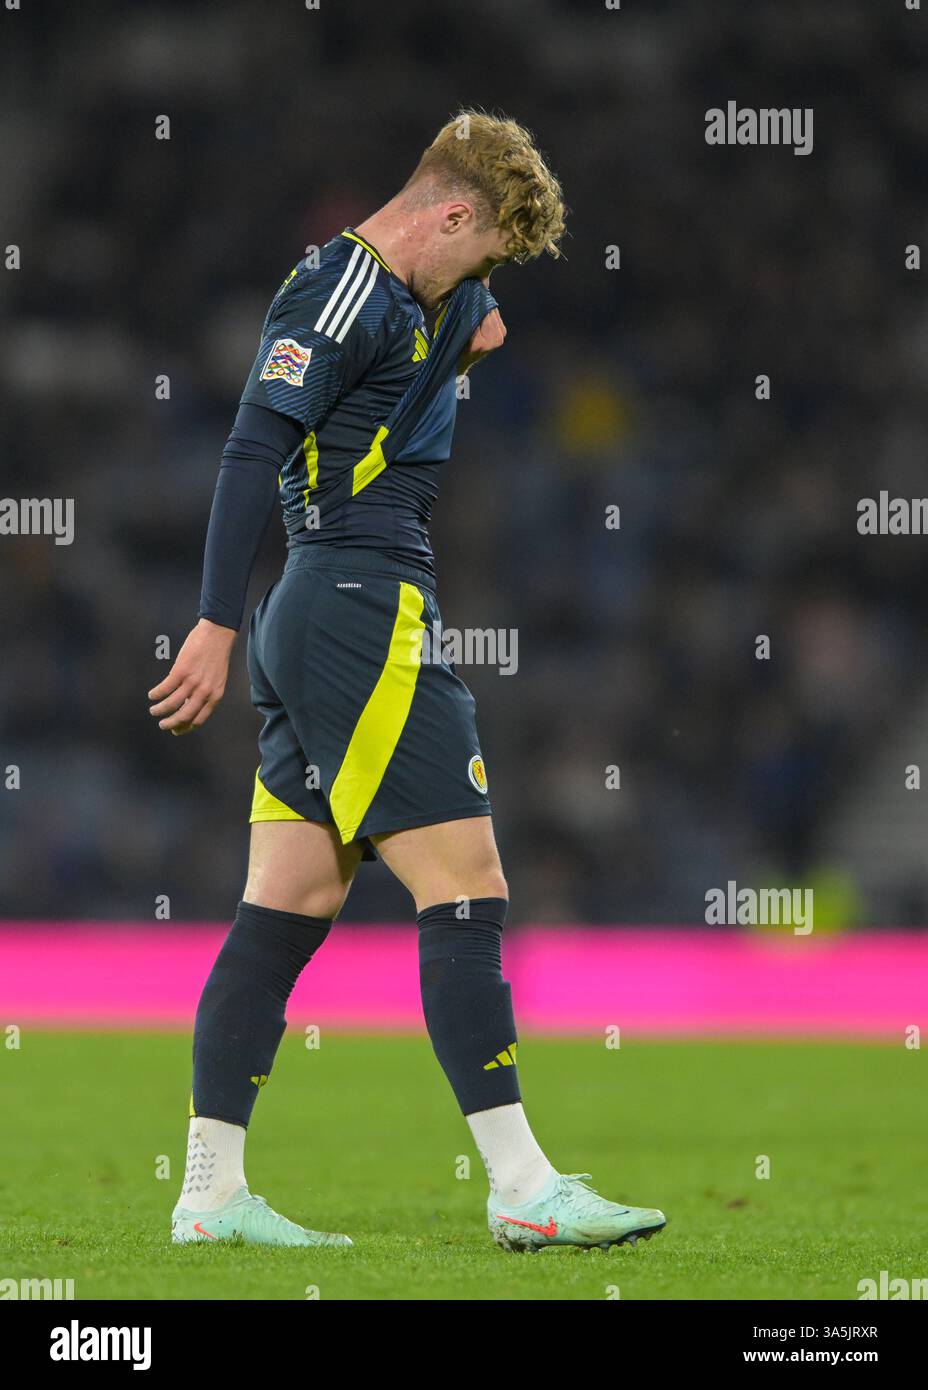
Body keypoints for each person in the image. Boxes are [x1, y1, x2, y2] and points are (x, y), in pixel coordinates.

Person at [149, 109, 665, 1252]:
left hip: (323, 609)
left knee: (287, 904)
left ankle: (209, 1191)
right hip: (355, 609)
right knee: (467, 883)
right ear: (445, 214)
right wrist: (210, 623)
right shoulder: (337, 294)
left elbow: (466, 325)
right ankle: (523, 1183)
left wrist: (469, 313)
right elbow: (249, 448)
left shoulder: (424, 299)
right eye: (481, 254)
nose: (485, 286)